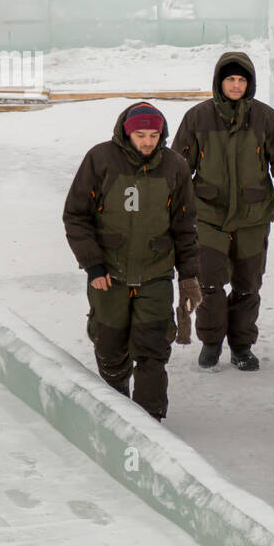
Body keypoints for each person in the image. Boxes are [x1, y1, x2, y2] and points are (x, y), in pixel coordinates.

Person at [62, 101, 201, 421]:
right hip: (109, 276)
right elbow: (76, 216)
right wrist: (93, 264)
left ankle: (150, 421)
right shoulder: (100, 160)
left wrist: (189, 275)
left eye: (154, 135)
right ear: (127, 133)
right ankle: (116, 409)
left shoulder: (175, 166)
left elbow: (185, 227)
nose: (148, 141)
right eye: (140, 134)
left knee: (153, 351)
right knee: (109, 347)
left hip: (155, 274)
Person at [173, 51, 274, 372]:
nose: (236, 85)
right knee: (210, 283)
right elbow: (176, 169)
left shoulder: (266, 119)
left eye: (241, 79)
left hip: (253, 217)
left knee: (248, 285)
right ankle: (212, 341)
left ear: (250, 83)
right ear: (219, 81)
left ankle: (242, 346)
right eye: (230, 79)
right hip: (208, 216)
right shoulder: (197, 118)